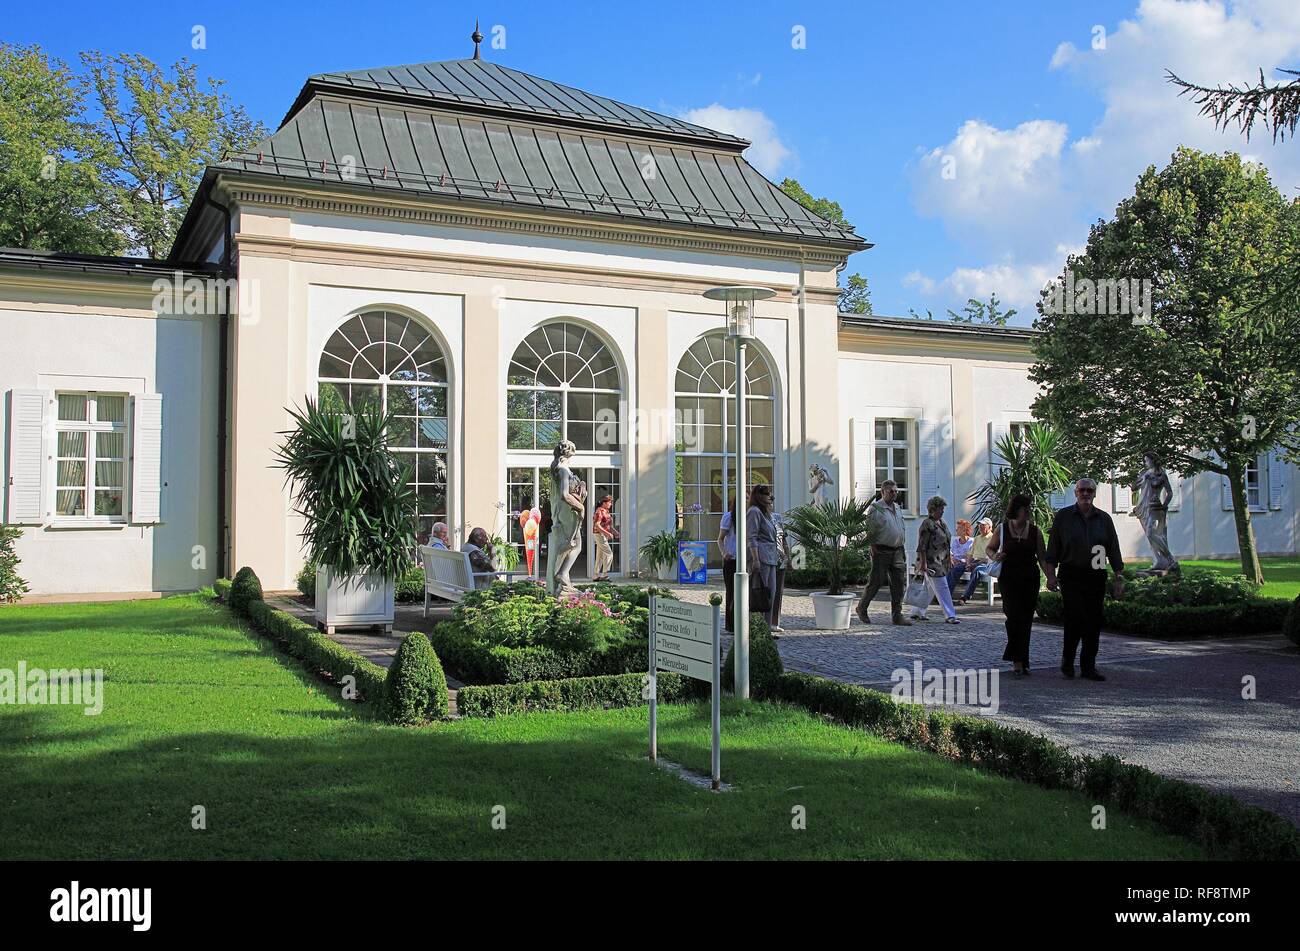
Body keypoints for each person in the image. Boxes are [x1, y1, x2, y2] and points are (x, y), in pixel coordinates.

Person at [1044, 477, 1125, 681]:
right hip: (1071, 575)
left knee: (1093, 622)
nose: (1086, 494)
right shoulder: (1064, 517)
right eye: (1082, 490)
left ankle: (1089, 666)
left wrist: (1118, 577)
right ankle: (1068, 661)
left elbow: (1113, 549)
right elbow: (1053, 548)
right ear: (1076, 493)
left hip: (1096, 576)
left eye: (1090, 490)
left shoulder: (1104, 519)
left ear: (1095, 493)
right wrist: (1051, 575)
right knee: (1075, 618)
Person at [985, 494, 1055, 675]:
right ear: (1017, 510)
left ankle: (1022, 659)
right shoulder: (1002, 529)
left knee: (1026, 620)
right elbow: (990, 548)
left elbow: (1042, 557)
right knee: (1012, 617)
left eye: (1029, 509)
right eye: (1025, 509)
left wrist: (1050, 577)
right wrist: (995, 556)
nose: (1028, 513)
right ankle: (1018, 659)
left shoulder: (1035, 531)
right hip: (1008, 578)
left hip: (1029, 578)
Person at [855, 480, 912, 626]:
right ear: (883, 492)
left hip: (898, 549)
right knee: (876, 581)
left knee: (899, 583)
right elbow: (870, 530)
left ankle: (897, 615)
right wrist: (872, 548)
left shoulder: (898, 508)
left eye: (896, 491)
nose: (894, 494)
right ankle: (862, 608)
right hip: (881, 549)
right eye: (891, 491)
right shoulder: (876, 508)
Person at [910, 496, 959, 624]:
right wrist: (923, 562)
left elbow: (946, 543)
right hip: (932, 561)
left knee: (928, 587)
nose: (942, 511)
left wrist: (950, 558)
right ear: (932, 510)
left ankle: (917, 612)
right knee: (943, 587)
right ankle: (950, 615)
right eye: (940, 509)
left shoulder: (942, 523)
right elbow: (922, 545)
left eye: (943, 509)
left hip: (941, 561)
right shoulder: (927, 524)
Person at [746, 484, 786, 632]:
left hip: (771, 556)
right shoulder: (754, 512)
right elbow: (752, 536)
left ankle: (767, 627)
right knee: (759, 593)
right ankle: (757, 628)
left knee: (770, 593)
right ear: (759, 496)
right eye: (767, 494)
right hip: (761, 556)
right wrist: (755, 559)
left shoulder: (767, 513)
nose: (770, 497)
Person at [957, 518, 995, 603]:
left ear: (990, 527)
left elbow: (990, 558)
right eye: (979, 525)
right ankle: (945, 595)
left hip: (986, 564)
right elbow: (970, 553)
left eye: (983, 525)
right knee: (956, 568)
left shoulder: (993, 538)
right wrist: (968, 564)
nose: (980, 527)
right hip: (974, 562)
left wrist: (974, 564)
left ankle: (965, 597)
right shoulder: (977, 538)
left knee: (977, 570)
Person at [717, 495, 738, 629]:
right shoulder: (729, 517)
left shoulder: (751, 516)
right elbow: (720, 539)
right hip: (732, 560)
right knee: (732, 593)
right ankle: (731, 624)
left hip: (747, 560)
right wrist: (725, 553)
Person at [945, 518, 975, 598]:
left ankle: (946, 595)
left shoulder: (972, 541)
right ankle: (941, 594)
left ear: (964, 530)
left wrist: (961, 561)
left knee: (954, 570)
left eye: (958, 528)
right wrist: (951, 559)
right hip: (954, 562)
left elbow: (971, 555)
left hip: (965, 564)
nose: (956, 529)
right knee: (944, 568)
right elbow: (951, 552)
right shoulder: (955, 541)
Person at [592, 494, 619, 580]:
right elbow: (597, 525)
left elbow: (609, 525)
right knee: (609, 553)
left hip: (603, 534)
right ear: (604, 502)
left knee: (599, 555)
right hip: (599, 534)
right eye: (610, 502)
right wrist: (607, 533)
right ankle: (604, 574)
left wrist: (615, 532)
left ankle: (596, 575)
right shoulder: (599, 511)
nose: (611, 504)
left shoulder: (606, 511)